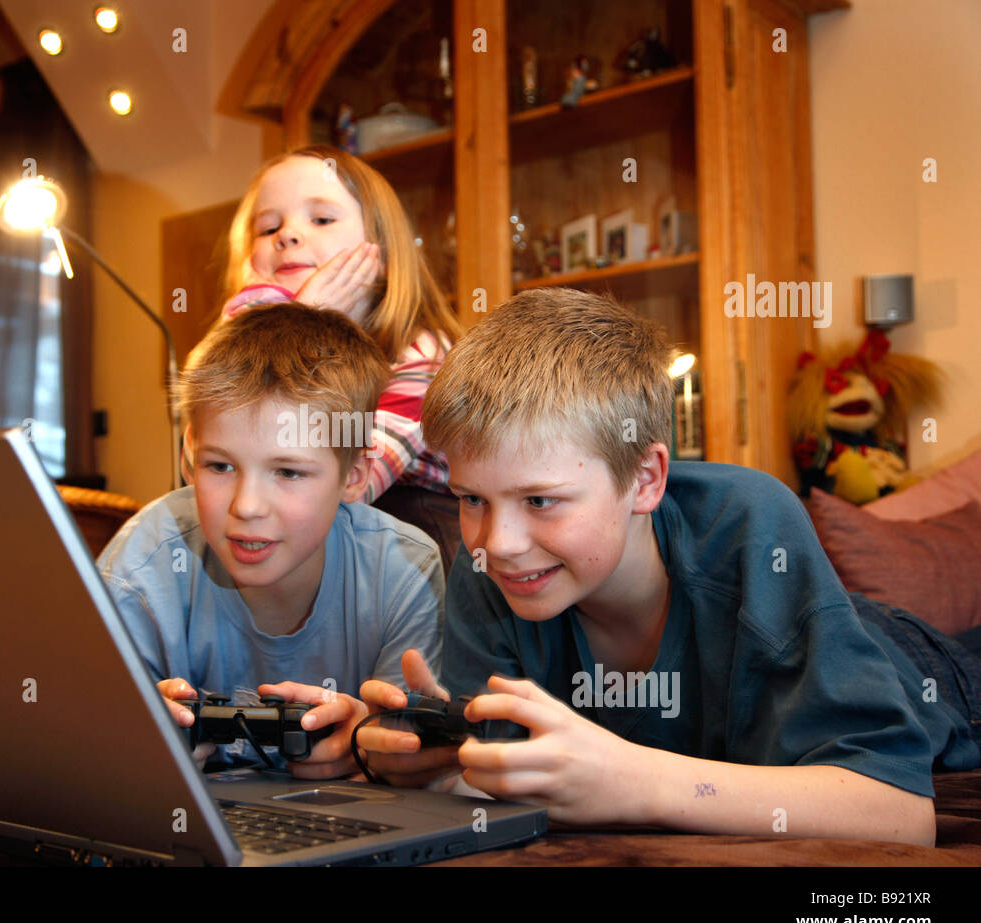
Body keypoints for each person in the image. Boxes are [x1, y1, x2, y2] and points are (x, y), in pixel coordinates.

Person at [358, 287, 981, 845]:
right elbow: (508, 777)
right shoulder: (488, 565)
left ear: (646, 478)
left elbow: (902, 814)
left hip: (914, 659)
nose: (500, 540)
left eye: (540, 500)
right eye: (472, 499)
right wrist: (434, 759)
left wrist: (639, 780)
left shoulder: (750, 520)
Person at [97, 302, 444, 779]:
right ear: (189, 453)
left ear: (355, 475)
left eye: (287, 471)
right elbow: (78, 743)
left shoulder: (403, 572)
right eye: (220, 466)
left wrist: (373, 752)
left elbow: (414, 759)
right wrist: (125, 740)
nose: (247, 506)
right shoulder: (141, 566)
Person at [199, 145, 466, 570]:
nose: (286, 235)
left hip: (424, 543)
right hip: (305, 532)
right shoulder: (245, 324)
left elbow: (350, 486)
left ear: (381, 248)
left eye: (321, 219)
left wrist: (304, 323)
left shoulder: (422, 357)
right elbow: (197, 458)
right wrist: (286, 324)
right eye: (268, 228)